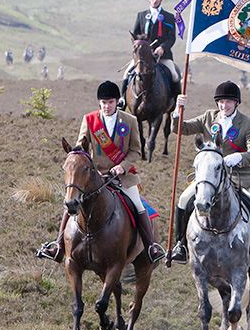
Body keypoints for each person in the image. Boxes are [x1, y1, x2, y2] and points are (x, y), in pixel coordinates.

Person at [37, 80, 166, 264]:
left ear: (117, 102)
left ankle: (151, 247)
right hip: (94, 177)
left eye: (111, 102)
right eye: (104, 103)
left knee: (138, 205)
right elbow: (81, 145)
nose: (107, 106)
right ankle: (58, 245)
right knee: (70, 203)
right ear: (100, 103)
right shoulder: (89, 120)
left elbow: (136, 150)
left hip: (122, 177)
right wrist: (77, 154)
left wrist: (123, 165)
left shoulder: (130, 121)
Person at [168, 81, 250, 266]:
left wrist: (238, 158)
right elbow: (180, 129)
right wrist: (178, 110)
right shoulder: (209, 117)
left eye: (229, 102)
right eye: (221, 102)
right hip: (210, 177)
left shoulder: (248, 124)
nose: (224, 106)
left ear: (236, 103)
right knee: (184, 199)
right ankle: (180, 245)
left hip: (240, 175)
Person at [120, 0, 180, 108]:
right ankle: (122, 100)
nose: (155, 0)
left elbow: (171, 38)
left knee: (174, 75)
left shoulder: (168, 17)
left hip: (162, 56)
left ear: (161, 0)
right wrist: (139, 47)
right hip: (143, 56)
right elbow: (135, 35)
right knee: (127, 73)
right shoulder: (141, 16)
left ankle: (176, 104)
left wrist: (162, 48)